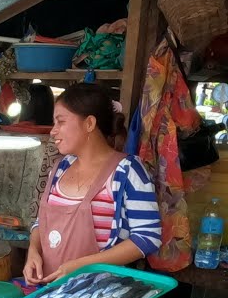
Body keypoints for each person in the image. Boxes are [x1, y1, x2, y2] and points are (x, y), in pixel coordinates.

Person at [23, 84, 161, 284]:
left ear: (89, 123)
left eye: (61, 122)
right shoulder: (60, 168)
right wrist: (33, 251)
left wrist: (84, 265)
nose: (53, 131)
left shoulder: (127, 171)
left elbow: (148, 237)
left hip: (97, 292)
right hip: (48, 290)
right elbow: (41, 223)